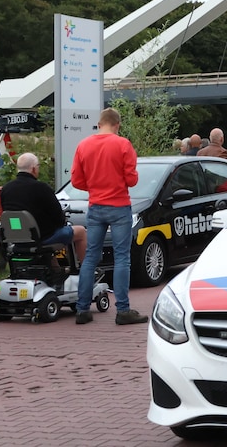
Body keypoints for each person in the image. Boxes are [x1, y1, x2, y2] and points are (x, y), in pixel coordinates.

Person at [70, 107, 147, 325]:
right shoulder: (123, 144)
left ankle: (82, 309)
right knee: (122, 257)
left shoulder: (83, 145)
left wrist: (94, 187)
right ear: (117, 125)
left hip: (95, 206)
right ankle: (122, 311)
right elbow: (132, 180)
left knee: (91, 257)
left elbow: (76, 181)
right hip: (119, 206)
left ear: (99, 123)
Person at [1, 152, 88, 264]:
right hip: (42, 239)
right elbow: (59, 219)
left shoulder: (6, 189)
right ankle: (87, 271)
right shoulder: (41, 188)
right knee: (80, 231)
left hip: (17, 239)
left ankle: (56, 270)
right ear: (33, 169)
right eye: (38, 166)